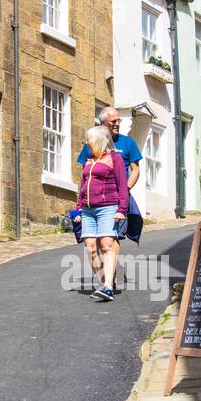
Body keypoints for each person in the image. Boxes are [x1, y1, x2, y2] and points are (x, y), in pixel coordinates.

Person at [76, 106, 144, 286]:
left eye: (118, 121)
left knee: (111, 238)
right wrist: (79, 203)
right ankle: (105, 277)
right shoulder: (91, 144)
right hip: (93, 201)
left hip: (117, 197)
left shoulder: (127, 143)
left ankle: (110, 277)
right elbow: (84, 175)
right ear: (102, 123)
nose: (117, 124)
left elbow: (135, 170)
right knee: (93, 242)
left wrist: (125, 190)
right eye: (113, 121)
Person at [76, 125, 129, 302]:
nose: (86, 142)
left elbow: (123, 186)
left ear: (99, 140)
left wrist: (122, 209)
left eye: (89, 139)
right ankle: (105, 284)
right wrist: (78, 208)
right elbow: (82, 186)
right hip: (88, 210)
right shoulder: (89, 160)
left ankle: (107, 288)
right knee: (89, 248)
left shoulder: (115, 159)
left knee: (107, 245)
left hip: (108, 207)